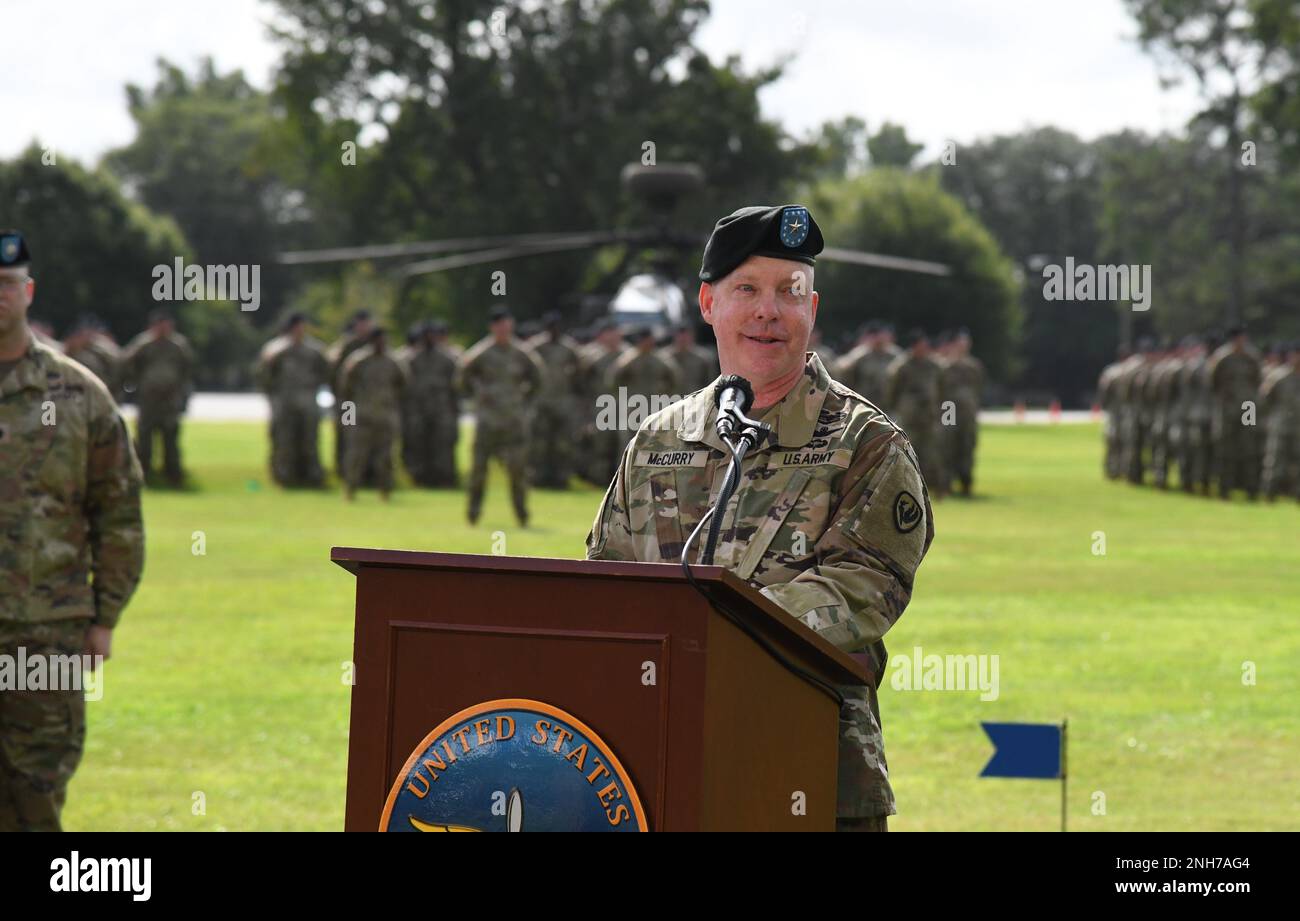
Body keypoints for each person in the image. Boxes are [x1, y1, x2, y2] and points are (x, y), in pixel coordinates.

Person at [586, 205, 934, 832]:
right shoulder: (656, 440)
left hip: (809, 770)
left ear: (812, 310)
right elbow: (604, 584)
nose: (768, 311)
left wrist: (713, 644)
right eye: (747, 288)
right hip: (658, 767)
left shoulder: (866, 443)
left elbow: (864, 587)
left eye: (789, 291)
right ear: (708, 304)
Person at [0, 230, 144, 830]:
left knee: (36, 794)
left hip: (46, 632)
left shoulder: (80, 395)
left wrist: (105, 617)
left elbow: (118, 513)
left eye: (6, 285)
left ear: (28, 291)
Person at [457, 306, 545, 525]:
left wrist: (524, 403)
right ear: (492, 327)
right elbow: (461, 380)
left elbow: (538, 380)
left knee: (518, 470)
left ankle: (522, 515)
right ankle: (473, 514)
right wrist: (478, 397)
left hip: (514, 421)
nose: (504, 329)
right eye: (500, 325)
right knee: (479, 470)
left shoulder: (522, 353)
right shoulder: (481, 354)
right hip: (487, 421)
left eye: (507, 325)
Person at [121, 308, 194, 486]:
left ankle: (173, 473)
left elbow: (187, 368)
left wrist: (183, 392)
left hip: (170, 398)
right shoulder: (143, 344)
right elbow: (126, 362)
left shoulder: (178, 345)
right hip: (148, 398)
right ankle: (143, 472)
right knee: (144, 436)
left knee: (171, 436)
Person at [256, 312, 330, 487]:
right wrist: (273, 398)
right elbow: (264, 376)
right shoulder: (275, 350)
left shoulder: (314, 350)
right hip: (283, 401)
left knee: (309, 440)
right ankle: (284, 476)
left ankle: (311, 477)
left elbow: (325, 373)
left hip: (307, 401)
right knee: (283, 441)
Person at [339, 327, 407, 501]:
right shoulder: (358, 361)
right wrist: (348, 418)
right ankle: (350, 489)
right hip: (362, 416)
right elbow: (346, 390)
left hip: (385, 415)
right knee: (356, 455)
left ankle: (385, 491)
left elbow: (403, 386)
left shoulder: (394, 362)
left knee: (386, 457)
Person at [885, 329, 946, 498]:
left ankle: (938, 488)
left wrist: (948, 419)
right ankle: (908, 489)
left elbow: (944, 394)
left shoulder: (935, 367)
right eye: (921, 345)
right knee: (909, 454)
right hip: (909, 418)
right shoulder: (901, 367)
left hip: (930, 418)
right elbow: (892, 393)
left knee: (933, 453)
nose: (924, 348)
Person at [526, 312, 584, 489]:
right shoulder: (535, 347)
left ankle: (561, 478)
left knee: (563, 443)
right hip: (541, 400)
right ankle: (538, 477)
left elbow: (580, 371)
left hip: (562, 401)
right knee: (539, 442)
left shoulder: (569, 348)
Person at [1208, 326, 1263, 500]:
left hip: (1248, 407)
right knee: (1226, 449)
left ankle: (1251, 489)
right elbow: (1213, 382)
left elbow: (1258, 380)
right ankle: (1225, 488)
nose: (1242, 342)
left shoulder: (1252, 357)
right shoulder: (1221, 357)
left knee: (1249, 447)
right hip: (1227, 408)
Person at [327, 310, 376, 479]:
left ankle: (367, 473)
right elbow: (333, 373)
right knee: (347, 435)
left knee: (370, 437)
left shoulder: (374, 345)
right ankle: (344, 470)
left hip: (370, 402)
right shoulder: (346, 346)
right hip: (349, 403)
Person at [940, 328, 984, 496]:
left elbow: (978, 389)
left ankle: (966, 483)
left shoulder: (974, 367)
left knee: (967, 445)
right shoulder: (943, 366)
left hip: (968, 411)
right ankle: (946, 483)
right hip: (949, 410)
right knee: (948, 445)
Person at [660, 323, 717, 394]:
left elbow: (711, 382)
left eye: (686, 336)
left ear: (692, 336)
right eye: (680, 336)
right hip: (672, 399)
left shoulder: (703, 357)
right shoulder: (664, 357)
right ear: (675, 336)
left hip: (695, 398)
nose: (683, 339)